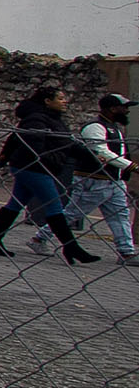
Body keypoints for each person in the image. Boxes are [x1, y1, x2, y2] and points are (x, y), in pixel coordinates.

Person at [0, 83, 100, 264]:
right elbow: (34, 147)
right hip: (32, 168)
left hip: (33, 167)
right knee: (54, 206)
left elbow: (67, 143)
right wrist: (54, 160)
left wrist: (94, 158)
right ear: (47, 101)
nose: (65, 101)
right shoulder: (36, 120)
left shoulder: (54, 119)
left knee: (15, 203)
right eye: (60, 98)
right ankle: (71, 247)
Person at [56, 91, 136, 264]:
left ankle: (126, 252)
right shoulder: (95, 127)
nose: (127, 111)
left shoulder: (114, 128)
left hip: (114, 181)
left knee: (121, 215)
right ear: (112, 109)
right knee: (72, 214)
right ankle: (40, 237)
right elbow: (102, 152)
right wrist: (130, 166)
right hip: (93, 179)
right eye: (124, 107)